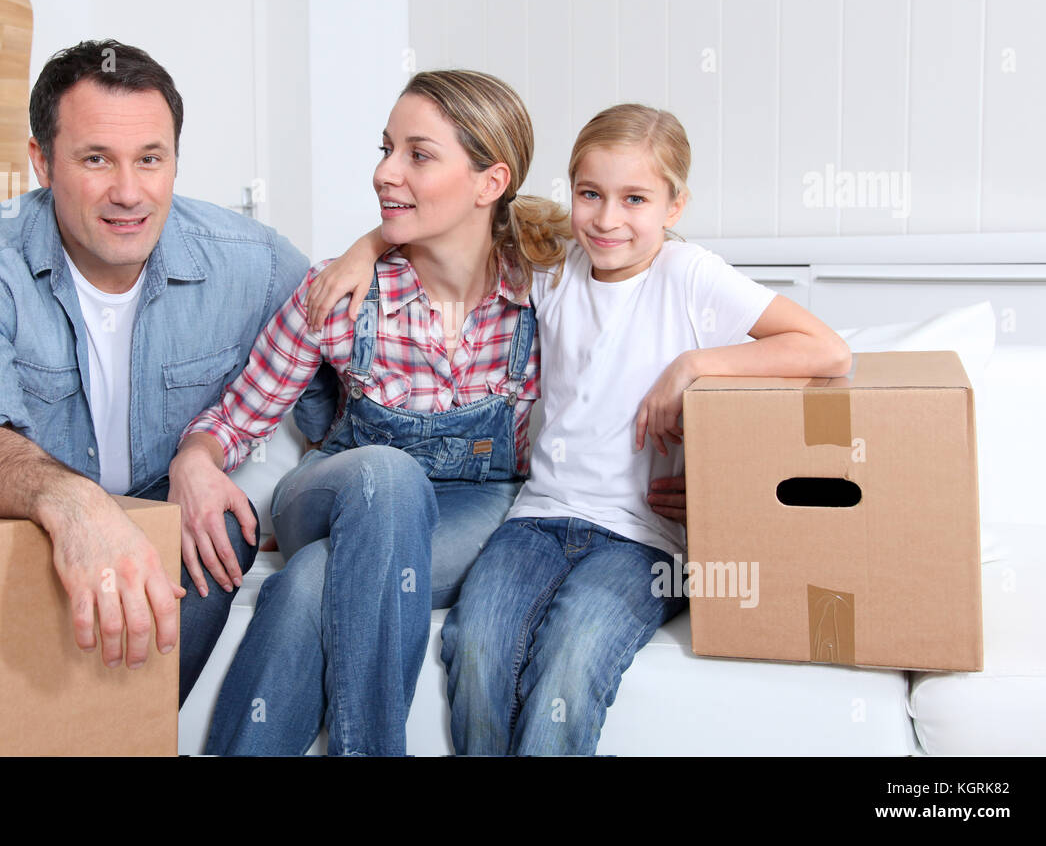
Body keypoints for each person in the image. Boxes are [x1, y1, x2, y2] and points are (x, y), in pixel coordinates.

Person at [0, 38, 336, 708]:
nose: (129, 193)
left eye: (150, 160)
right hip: (15, 520)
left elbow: (337, 403)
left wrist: (270, 488)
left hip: (158, 513)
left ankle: (131, 734)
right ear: (42, 162)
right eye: (96, 159)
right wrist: (77, 504)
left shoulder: (252, 263)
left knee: (219, 523)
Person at [170, 69, 576, 755]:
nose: (385, 173)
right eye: (385, 148)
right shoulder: (341, 290)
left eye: (418, 154)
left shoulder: (548, 286)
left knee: (308, 584)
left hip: (472, 506)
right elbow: (235, 420)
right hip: (335, 489)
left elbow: (660, 274)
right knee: (386, 476)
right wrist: (194, 458)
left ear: (489, 182)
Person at [440, 103, 854, 754]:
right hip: (537, 520)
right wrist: (365, 249)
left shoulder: (690, 277)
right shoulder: (555, 268)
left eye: (634, 198)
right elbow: (446, 223)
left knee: (573, 655)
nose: (607, 219)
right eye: (590, 195)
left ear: (674, 206)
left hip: (641, 541)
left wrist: (694, 363)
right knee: (475, 644)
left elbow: (827, 351)